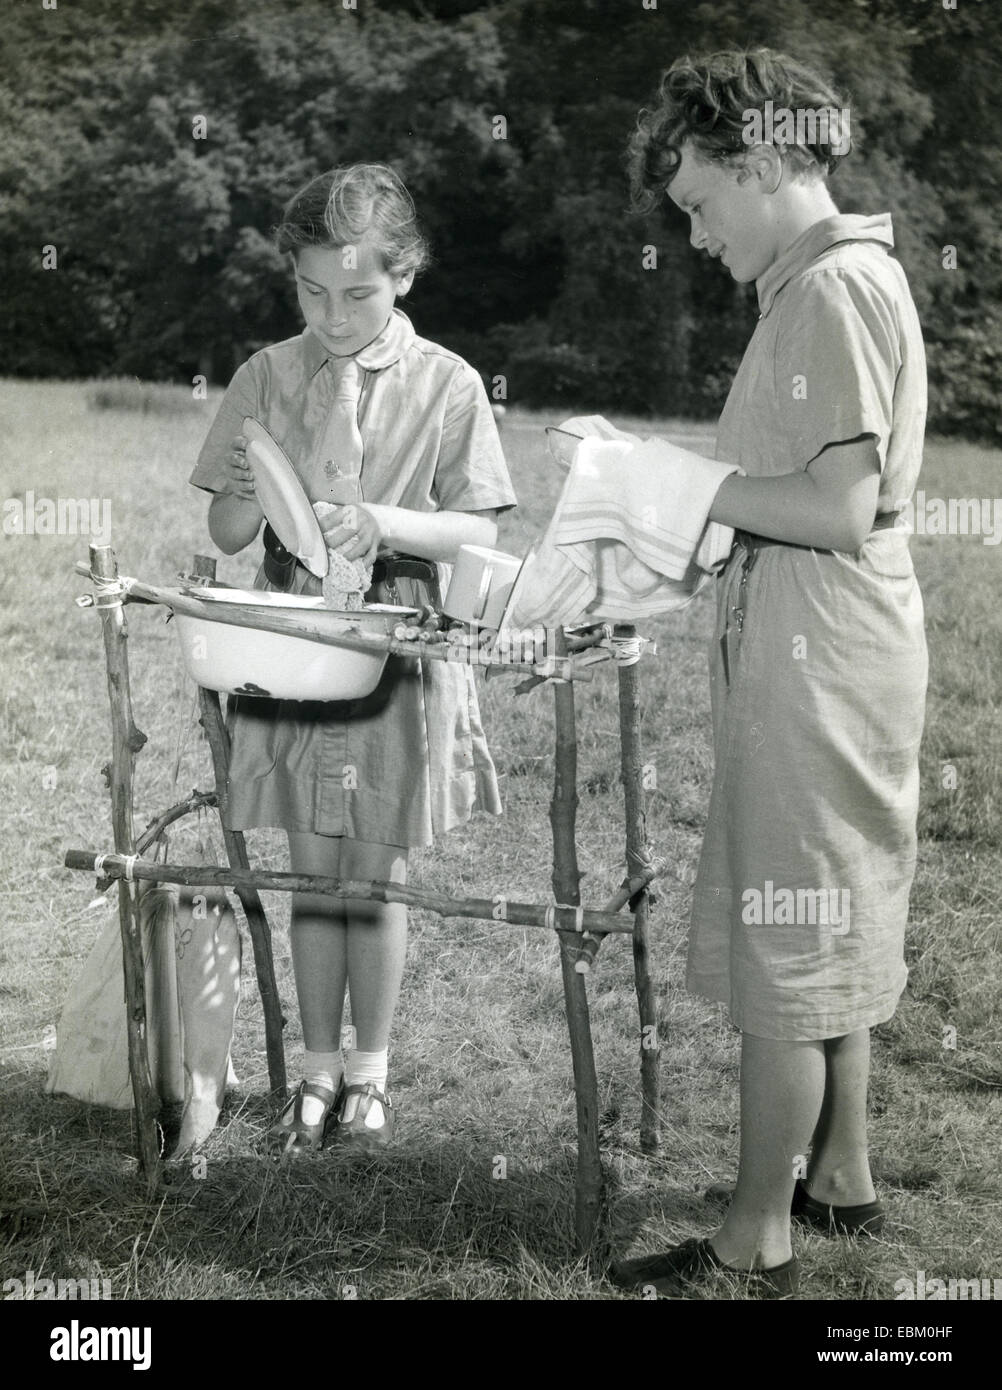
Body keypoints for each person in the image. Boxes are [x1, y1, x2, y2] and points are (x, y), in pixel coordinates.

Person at [611, 49, 928, 1297]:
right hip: (828, 634)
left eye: (697, 202)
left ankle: (757, 1237)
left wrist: (660, 482)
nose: (691, 235)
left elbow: (837, 506)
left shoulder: (836, 291)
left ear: (758, 157)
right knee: (833, 902)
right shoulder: (823, 281)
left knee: (789, 937)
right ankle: (838, 1169)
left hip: (824, 643)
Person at [189, 164, 516, 1154]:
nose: (333, 315)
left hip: (393, 638)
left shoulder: (449, 385)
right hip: (290, 639)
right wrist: (247, 486)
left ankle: (368, 1075)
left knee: (368, 873)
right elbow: (232, 526)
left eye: (359, 293)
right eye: (312, 292)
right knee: (312, 868)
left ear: (404, 276)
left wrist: (383, 521)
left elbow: (481, 529)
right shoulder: (266, 374)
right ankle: (316, 1077)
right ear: (291, 278)